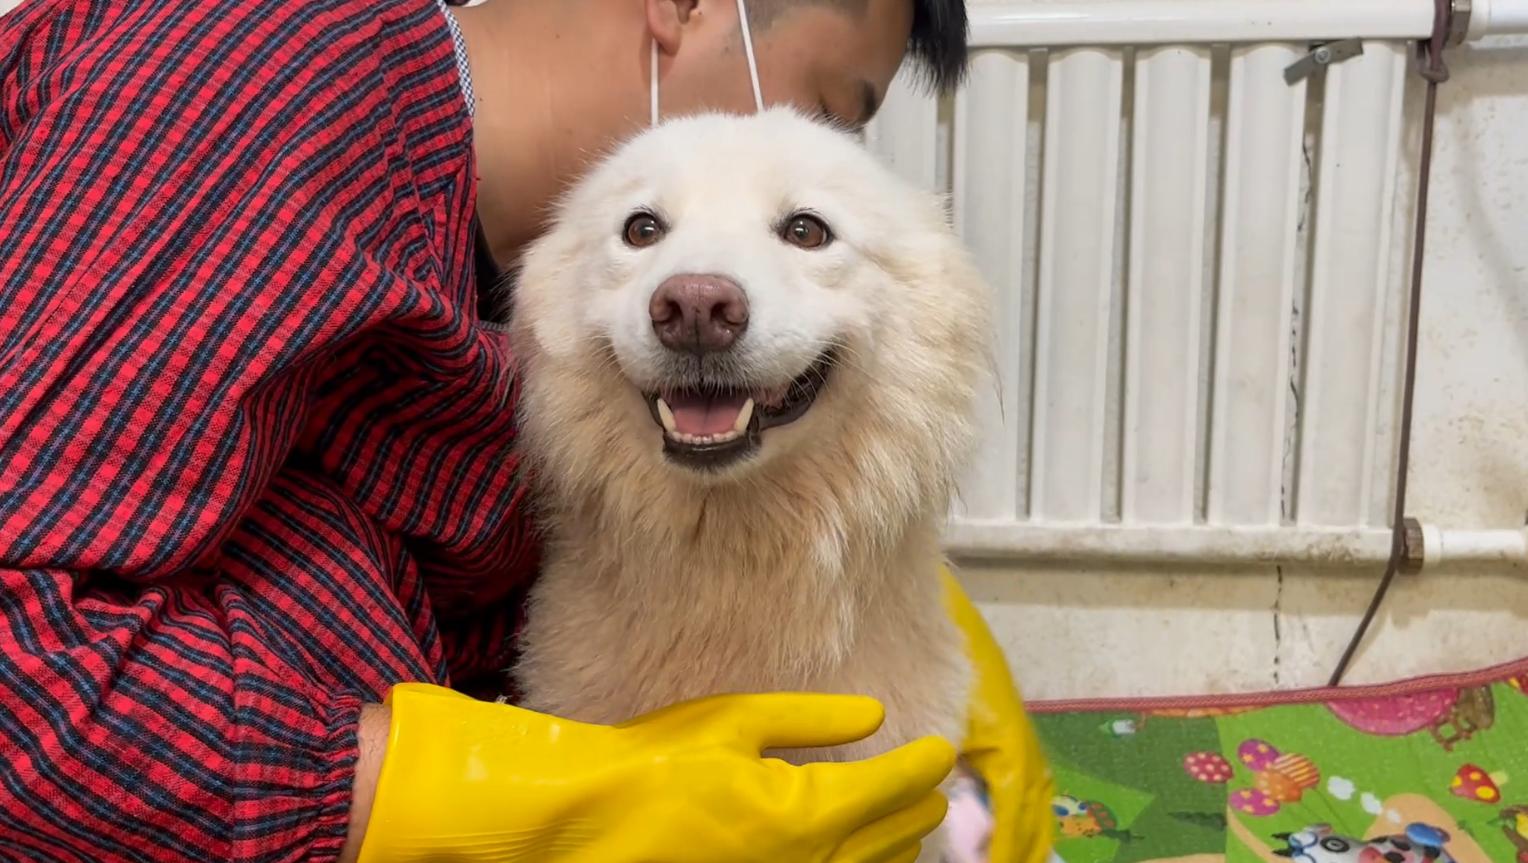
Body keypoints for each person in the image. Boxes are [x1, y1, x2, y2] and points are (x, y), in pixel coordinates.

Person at [0, 0, 1052, 859]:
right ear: (682, 8)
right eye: (826, 104)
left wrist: (852, 556)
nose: (704, 288)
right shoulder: (246, 83)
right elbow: (22, 680)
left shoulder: (508, 286)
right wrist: (449, 790)